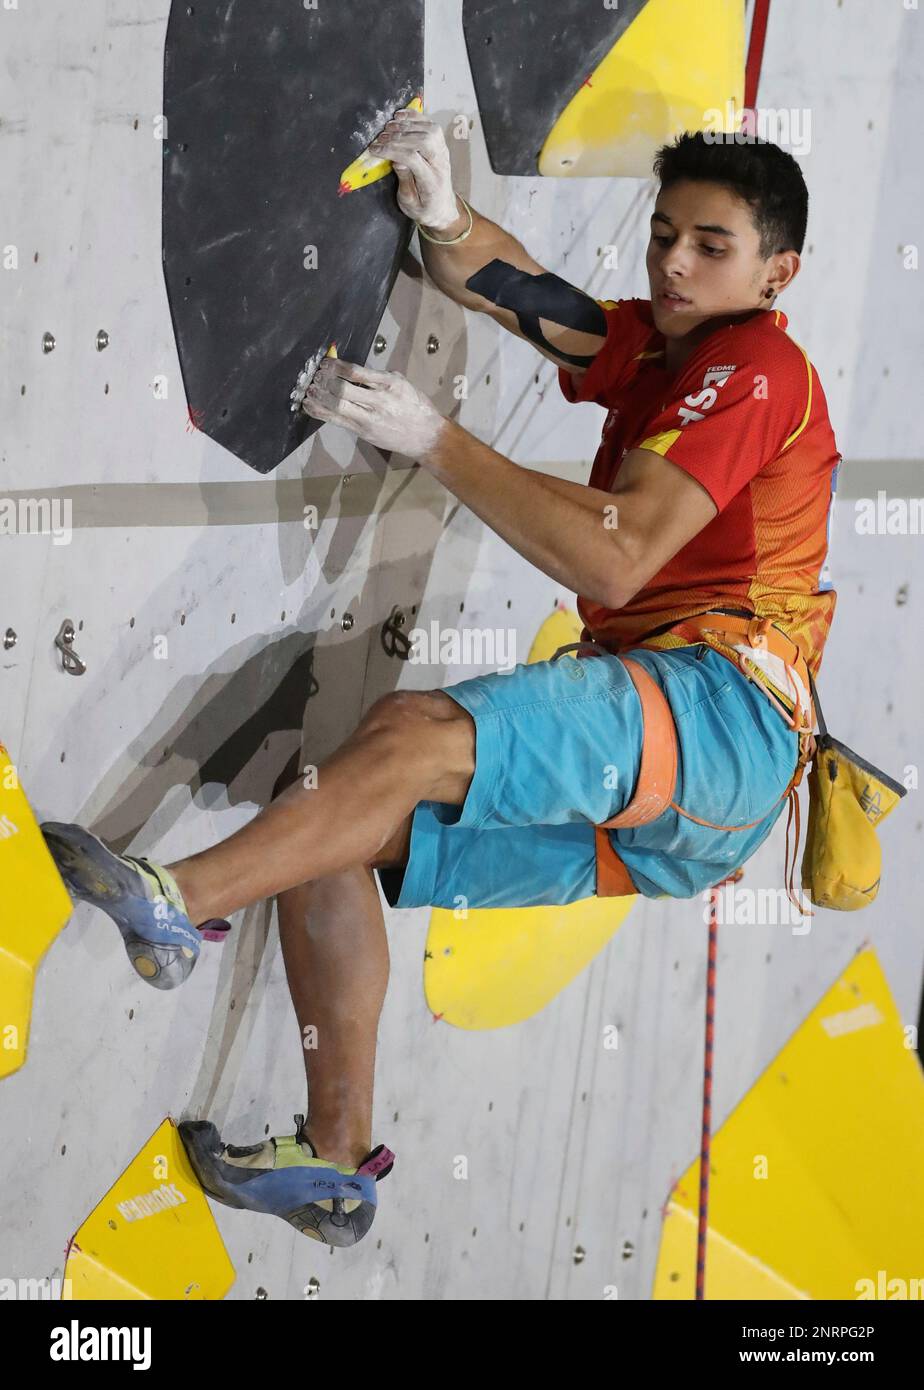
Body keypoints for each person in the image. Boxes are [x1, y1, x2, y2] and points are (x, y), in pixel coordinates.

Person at [41, 114, 840, 1247]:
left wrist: (439, 440)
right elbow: (519, 291)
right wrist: (444, 213)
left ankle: (180, 905)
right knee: (336, 815)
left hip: (720, 716)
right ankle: (335, 1158)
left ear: (778, 270)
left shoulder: (759, 365)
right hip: (695, 804)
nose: (672, 261)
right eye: (664, 234)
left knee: (411, 730)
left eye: (711, 245)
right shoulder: (660, 349)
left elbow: (611, 554)